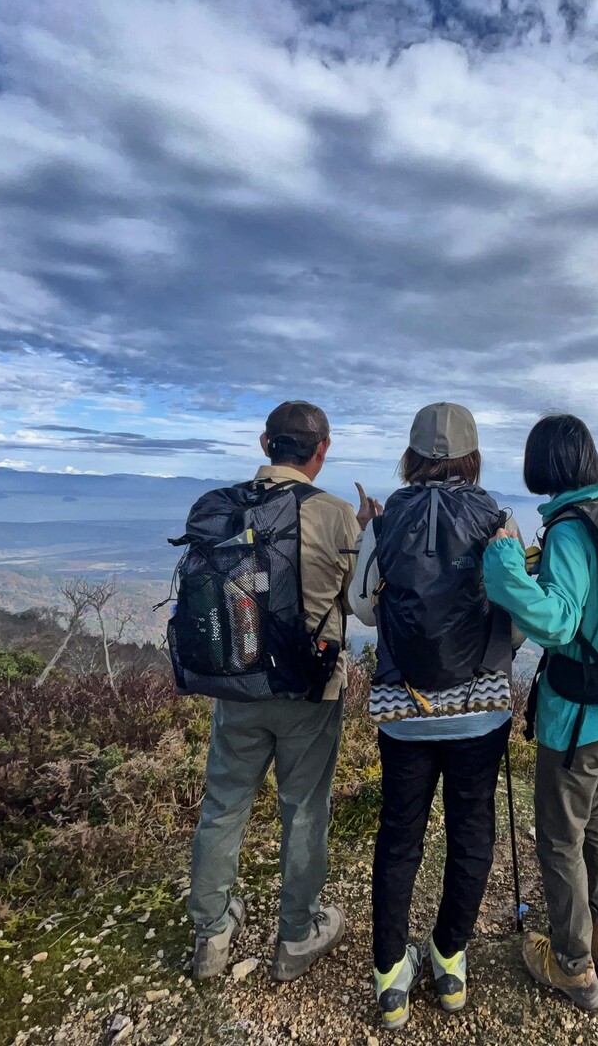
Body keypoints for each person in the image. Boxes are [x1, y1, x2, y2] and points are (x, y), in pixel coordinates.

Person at [349, 402, 523, 1031]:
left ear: (412, 456)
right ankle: (449, 959)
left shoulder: (389, 516)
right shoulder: (498, 517)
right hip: (479, 712)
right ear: (472, 457)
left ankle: (391, 977)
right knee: (470, 833)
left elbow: (362, 610)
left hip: (404, 711)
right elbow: (519, 610)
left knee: (400, 837)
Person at [187, 401, 360, 982]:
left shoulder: (224, 506)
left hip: (235, 682)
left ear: (265, 445)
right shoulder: (337, 516)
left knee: (224, 805)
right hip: (311, 690)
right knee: (304, 810)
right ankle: (296, 935)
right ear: (322, 449)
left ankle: (211, 937)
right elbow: (359, 600)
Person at [480, 413, 598, 1012]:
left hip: (579, 718)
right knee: (594, 816)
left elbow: (557, 621)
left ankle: (573, 965)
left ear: (545, 464)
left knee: (558, 836)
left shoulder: (573, 531)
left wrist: (505, 568)